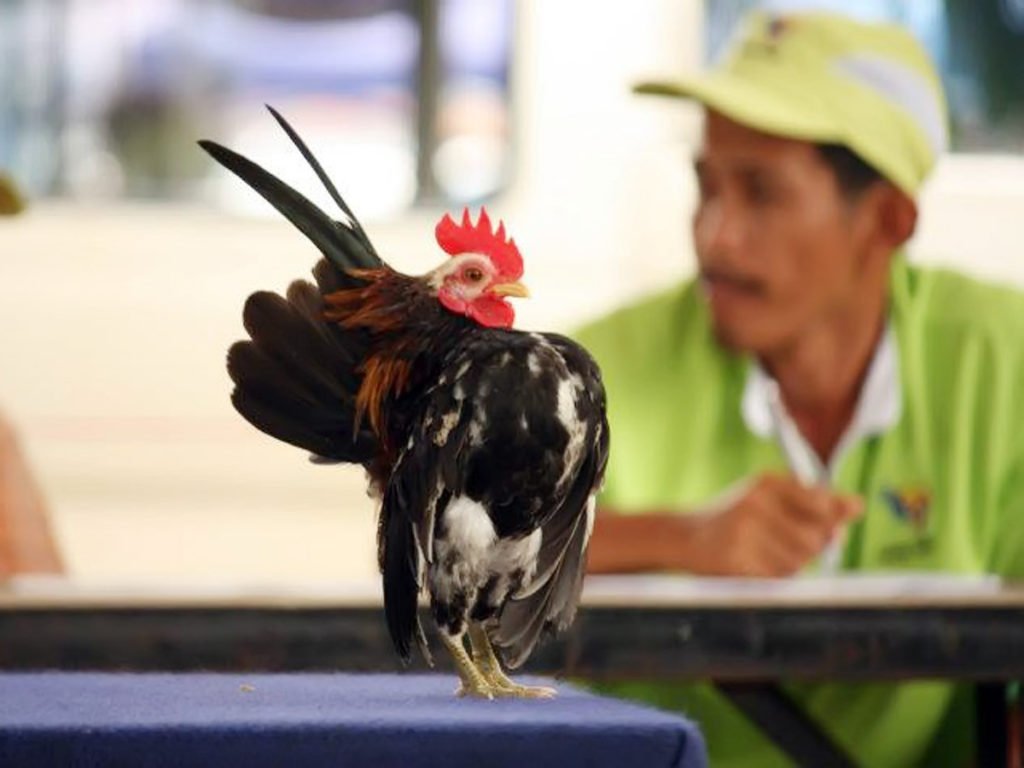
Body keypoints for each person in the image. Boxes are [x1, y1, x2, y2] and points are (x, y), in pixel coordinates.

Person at [576, 10, 1024, 768]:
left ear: (888, 219)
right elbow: (443, 563)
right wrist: (685, 540)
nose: (713, 234)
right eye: (705, 185)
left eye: (761, 193)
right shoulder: (589, 370)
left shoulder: (1002, 359)